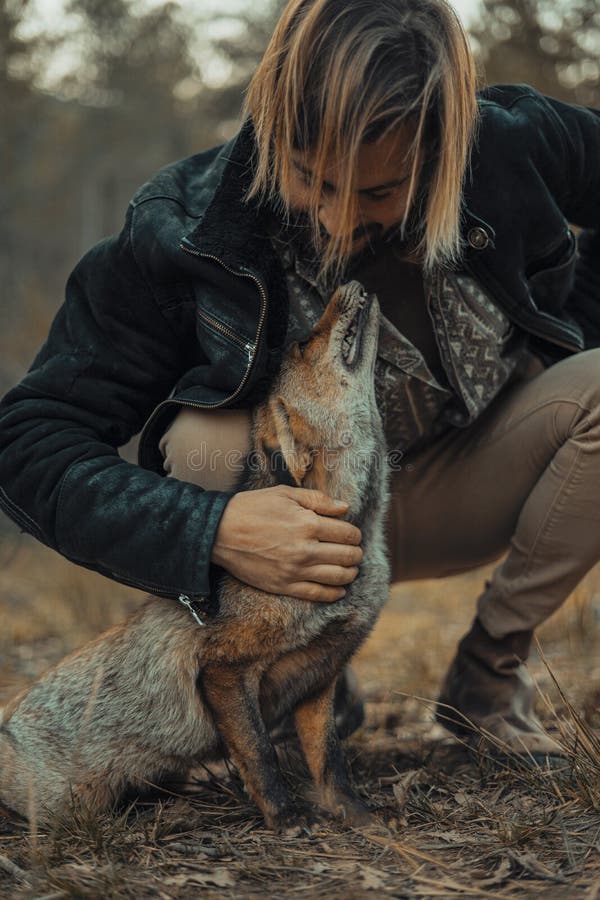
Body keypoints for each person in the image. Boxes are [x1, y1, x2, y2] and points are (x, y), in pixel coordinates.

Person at [1, 0, 599, 762]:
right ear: (272, 119)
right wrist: (208, 529)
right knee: (205, 440)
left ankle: (489, 673)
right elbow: (30, 438)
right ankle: (300, 681)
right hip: (294, 527)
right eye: (314, 180)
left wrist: (573, 335)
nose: (341, 221)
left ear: (448, 144)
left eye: (381, 194)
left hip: (465, 482)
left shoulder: (515, 146)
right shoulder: (180, 229)